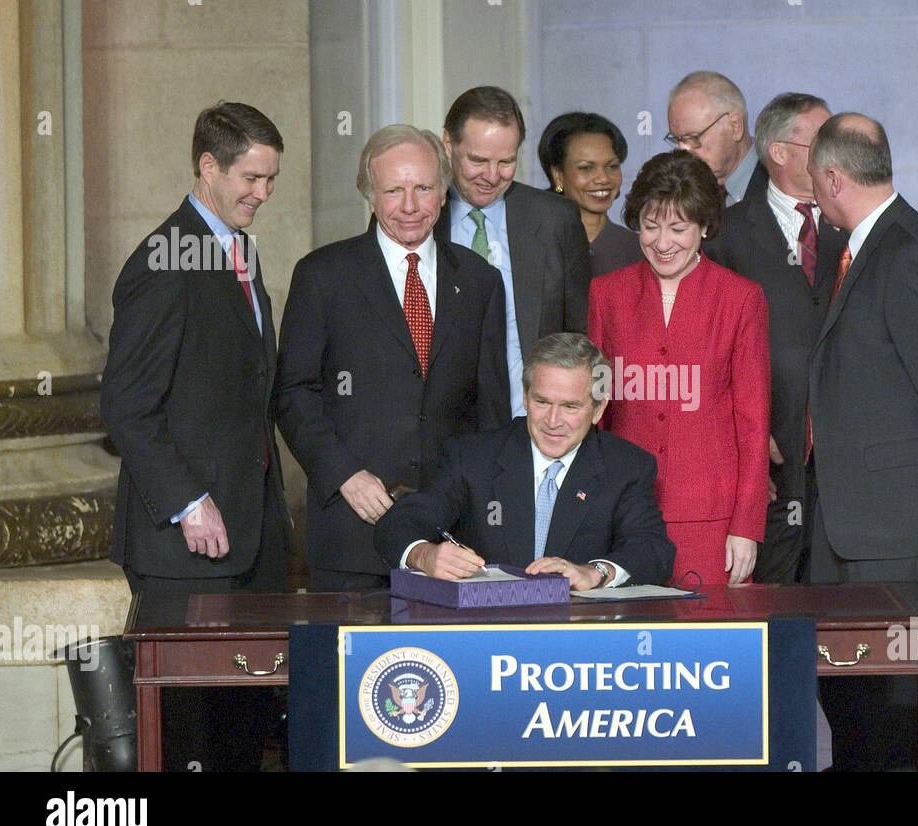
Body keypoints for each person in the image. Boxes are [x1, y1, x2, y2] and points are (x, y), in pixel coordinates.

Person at [100, 101, 293, 771]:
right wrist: (188, 500)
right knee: (188, 741)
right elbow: (126, 404)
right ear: (207, 166)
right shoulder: (164, 258)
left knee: (241, 729)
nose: (262, 194)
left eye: (271, 179)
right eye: (249, 177)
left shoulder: (237, 248)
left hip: (251, 536)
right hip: (185, 548)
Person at [806, 113, 918, 771]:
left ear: (832, 177)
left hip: (900, 519)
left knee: (899, 703)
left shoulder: (907, 250)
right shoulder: (860, 243)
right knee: (856, 701)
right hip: (851, 515)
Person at [274, 125, 510, 592]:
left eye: (423, 188)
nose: (410, 206)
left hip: (453, 538)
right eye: (393, 190)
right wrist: (343, 474)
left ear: (443, 193)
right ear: (370, 197)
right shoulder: (323, 276)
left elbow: (492, 410)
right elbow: (293, 393)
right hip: (352, 533)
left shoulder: (480, 280)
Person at [588, 150, 770, 586]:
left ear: (704, 226)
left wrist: (746, 526)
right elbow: (595, 415)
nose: (662, 242)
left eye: (678, 228)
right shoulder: (606, 294)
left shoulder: (741, 298)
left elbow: (753, 420)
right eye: (650, 227)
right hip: (624, 513)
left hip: (710, 517)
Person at [375, 333, 675, 589]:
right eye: (541, 402)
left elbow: (652, 550)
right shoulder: (474, 456)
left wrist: (595, 572)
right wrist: (424, 555)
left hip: (580, 637)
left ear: (598, 409)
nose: (553, 421)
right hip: (484, 632)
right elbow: (398, 523)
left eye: (570, 406)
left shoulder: (626, 467)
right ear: (525, 396)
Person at [707, 92, 842, 584]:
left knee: (844, 625)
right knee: (770, 614)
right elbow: (709, 353)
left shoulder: (857, 227)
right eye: (823, 141)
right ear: (780, 152)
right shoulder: (724, 235)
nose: (837, 150)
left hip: (845, 466)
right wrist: (744, 433)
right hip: (766, 462)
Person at [435, 86, 591, 417]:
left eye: (506, 161)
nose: (491, 177)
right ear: (448, 145)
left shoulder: (555, 220)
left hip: (532, 424)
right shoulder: (419, 217)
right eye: (477, 160)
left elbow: (582, 334)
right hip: (443, 432)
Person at [538, 111, 642, 277]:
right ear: (558, 175)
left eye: (611, 167)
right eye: (586, 168)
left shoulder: (638, 250)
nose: (603, 178)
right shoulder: (533, 244)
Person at [666, 71, 768, 205]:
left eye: (693, 137)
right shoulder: (679, 192)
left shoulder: (782, 188)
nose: (683, 148)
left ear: (735, 127)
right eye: (677, 139)